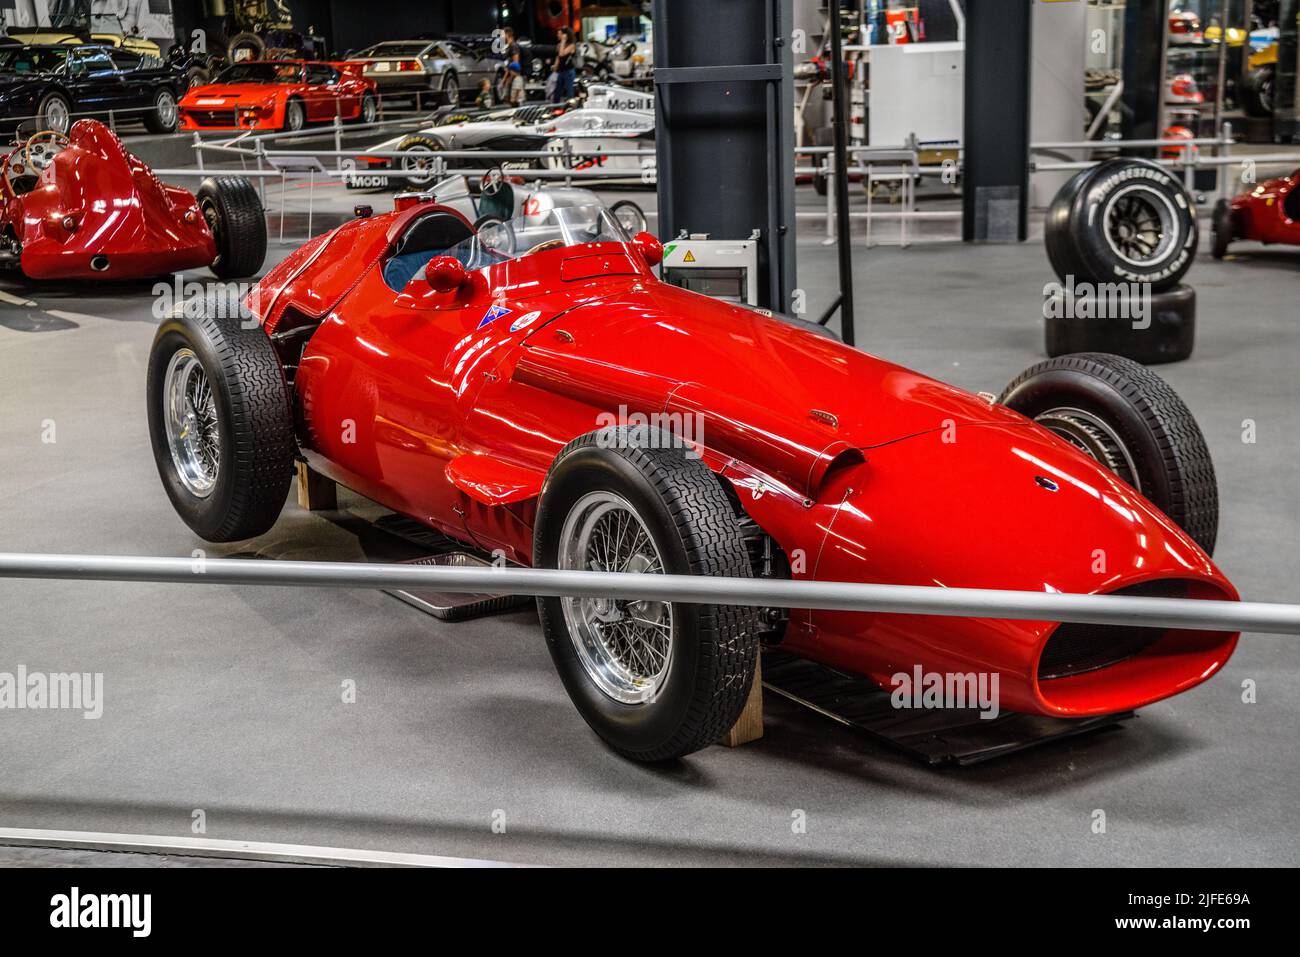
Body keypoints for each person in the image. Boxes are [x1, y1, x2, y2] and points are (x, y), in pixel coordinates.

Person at [552, 26, 576, 104]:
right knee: (557, 92)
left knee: (569, 91)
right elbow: (558, 57)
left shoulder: (572, 45)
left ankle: (571, 108)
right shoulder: (559, 45)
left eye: (559, 34)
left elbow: (562, 53)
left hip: (569, 71)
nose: (557, 35)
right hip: (561, 71)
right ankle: (555, 108)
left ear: (565, 35)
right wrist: (555, 67)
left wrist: (563, 41)